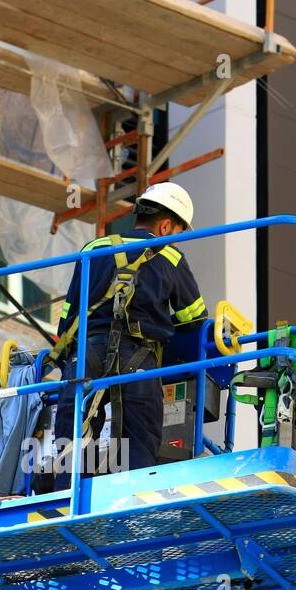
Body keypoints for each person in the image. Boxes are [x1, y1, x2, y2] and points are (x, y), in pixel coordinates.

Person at [50, 182, 206, 487]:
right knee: (139, 440)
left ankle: (67, 502)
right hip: (140, 360)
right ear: (165, 226)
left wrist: (61, 359)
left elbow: (69, 316)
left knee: (73, 437)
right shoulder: (171, 258)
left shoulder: (93, 250)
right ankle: (135, 506)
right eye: (178, 233)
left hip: (85, 355)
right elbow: (195, 319)